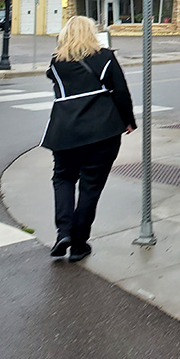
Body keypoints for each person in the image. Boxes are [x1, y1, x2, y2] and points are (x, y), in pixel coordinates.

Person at [41, 16, 136, 262]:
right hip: (102, 131)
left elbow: (55, 81)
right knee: (90, 185)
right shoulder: (105, 57)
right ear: (92, 33)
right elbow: (121, 92)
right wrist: (129, 121)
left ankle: (63, 232)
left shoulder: (56, 62)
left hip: (64, 132)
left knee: (63, 177)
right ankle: (79, 242)